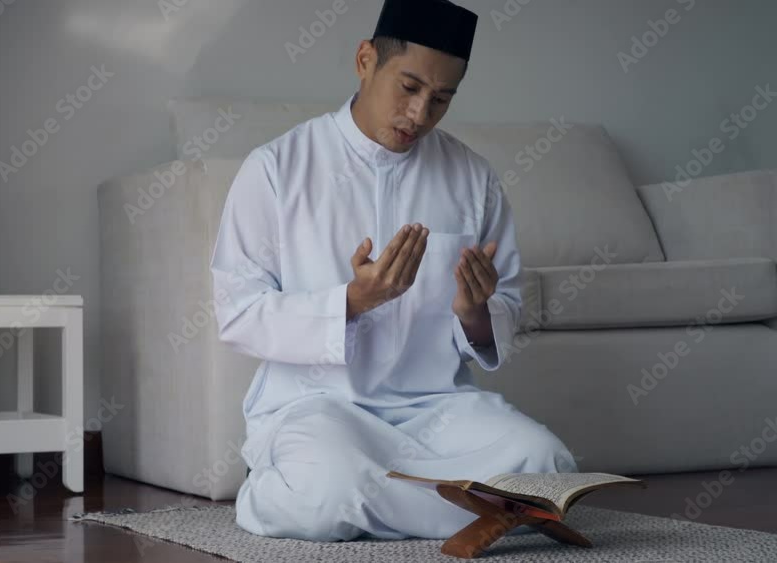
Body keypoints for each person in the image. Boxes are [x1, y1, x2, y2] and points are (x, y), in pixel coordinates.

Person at [209, 0, 578, 542]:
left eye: (442, 99)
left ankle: (374, 500)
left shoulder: (474, 179)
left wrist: (474, 312)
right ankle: (477, 510)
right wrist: (352, 302)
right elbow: (238, 313)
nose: (420, 114)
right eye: (409, 88)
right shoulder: (276, 168)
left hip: (438, 410)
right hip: (320, 409)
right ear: (365, 60)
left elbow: (506, 312)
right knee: (326, 489)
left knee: (547, 464)